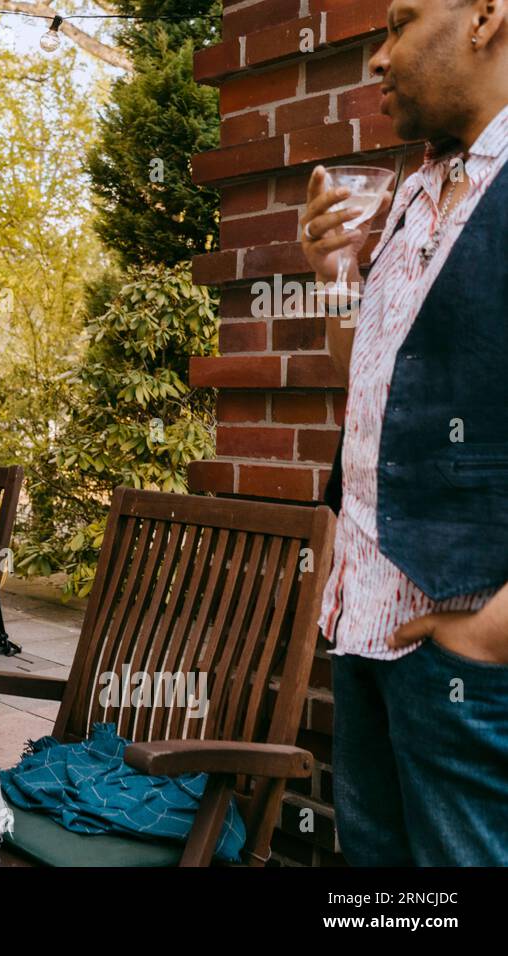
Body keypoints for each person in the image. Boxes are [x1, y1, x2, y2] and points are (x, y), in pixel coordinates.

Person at [300, 0, 508, 865]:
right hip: (366, 628)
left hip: (471, 656)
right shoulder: (413, 191)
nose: (377, 59)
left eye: (399, 21)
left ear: (486, 16)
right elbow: (388, 387)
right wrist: (334, 284)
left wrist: (490, 637)